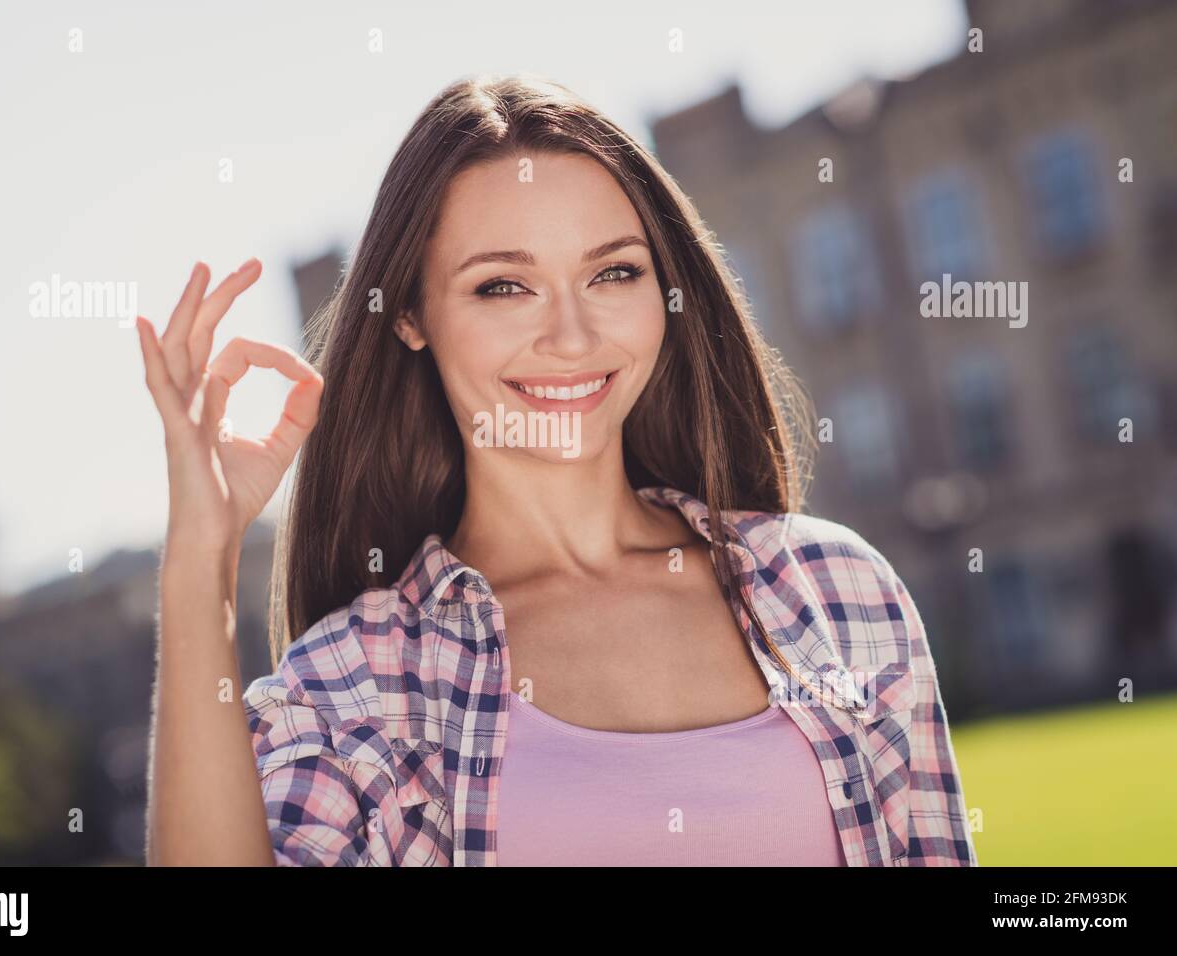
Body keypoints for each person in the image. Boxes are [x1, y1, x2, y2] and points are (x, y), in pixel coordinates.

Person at [138, 73, 977, 867]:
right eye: (503, 287)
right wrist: (200, 563)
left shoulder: (837, 589)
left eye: (613, 272)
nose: (572, 338)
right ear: (410, 317)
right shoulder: (362, 682)